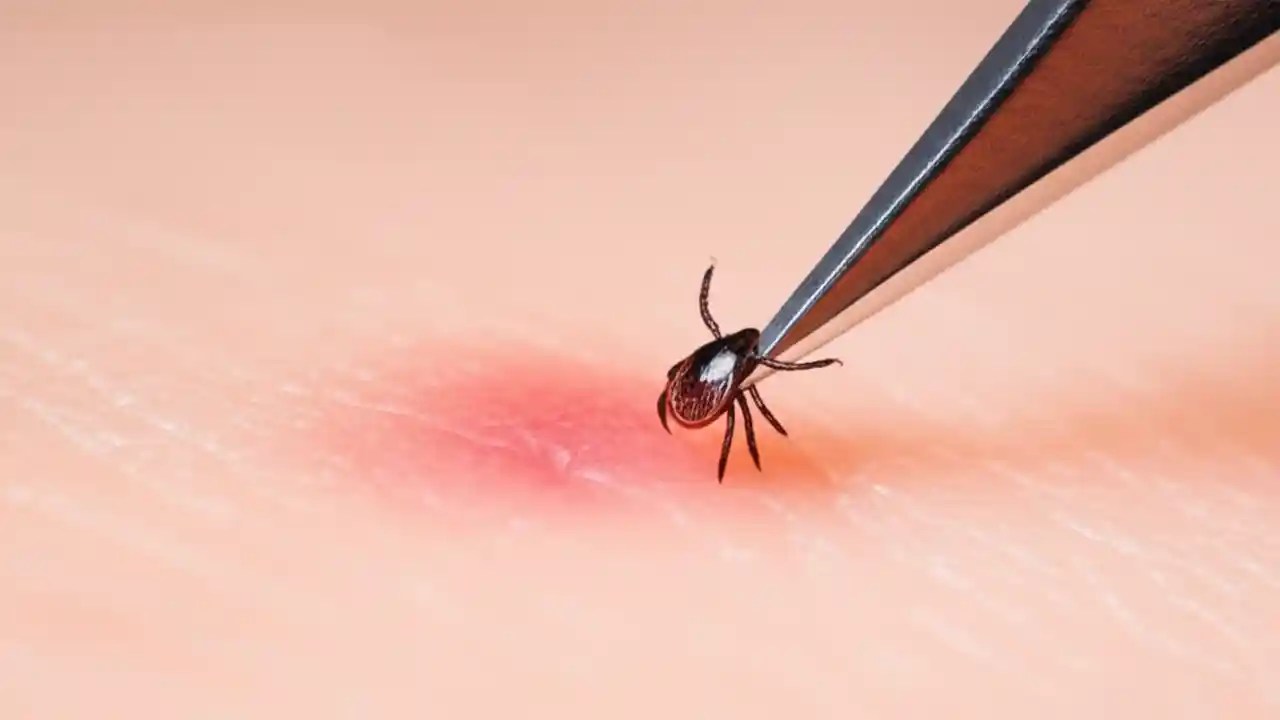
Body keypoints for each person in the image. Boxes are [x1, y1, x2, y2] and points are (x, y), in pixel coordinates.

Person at [3, 5, 1278, 717]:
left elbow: (711, 353)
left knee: (762, 413)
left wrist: (728, 371)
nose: (734, 372)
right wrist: (750, 384)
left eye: (732, 361)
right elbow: (729, 368)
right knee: (764, 419)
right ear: (725, 358)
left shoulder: (723, 360)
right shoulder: (741, 371)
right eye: (731, 361)